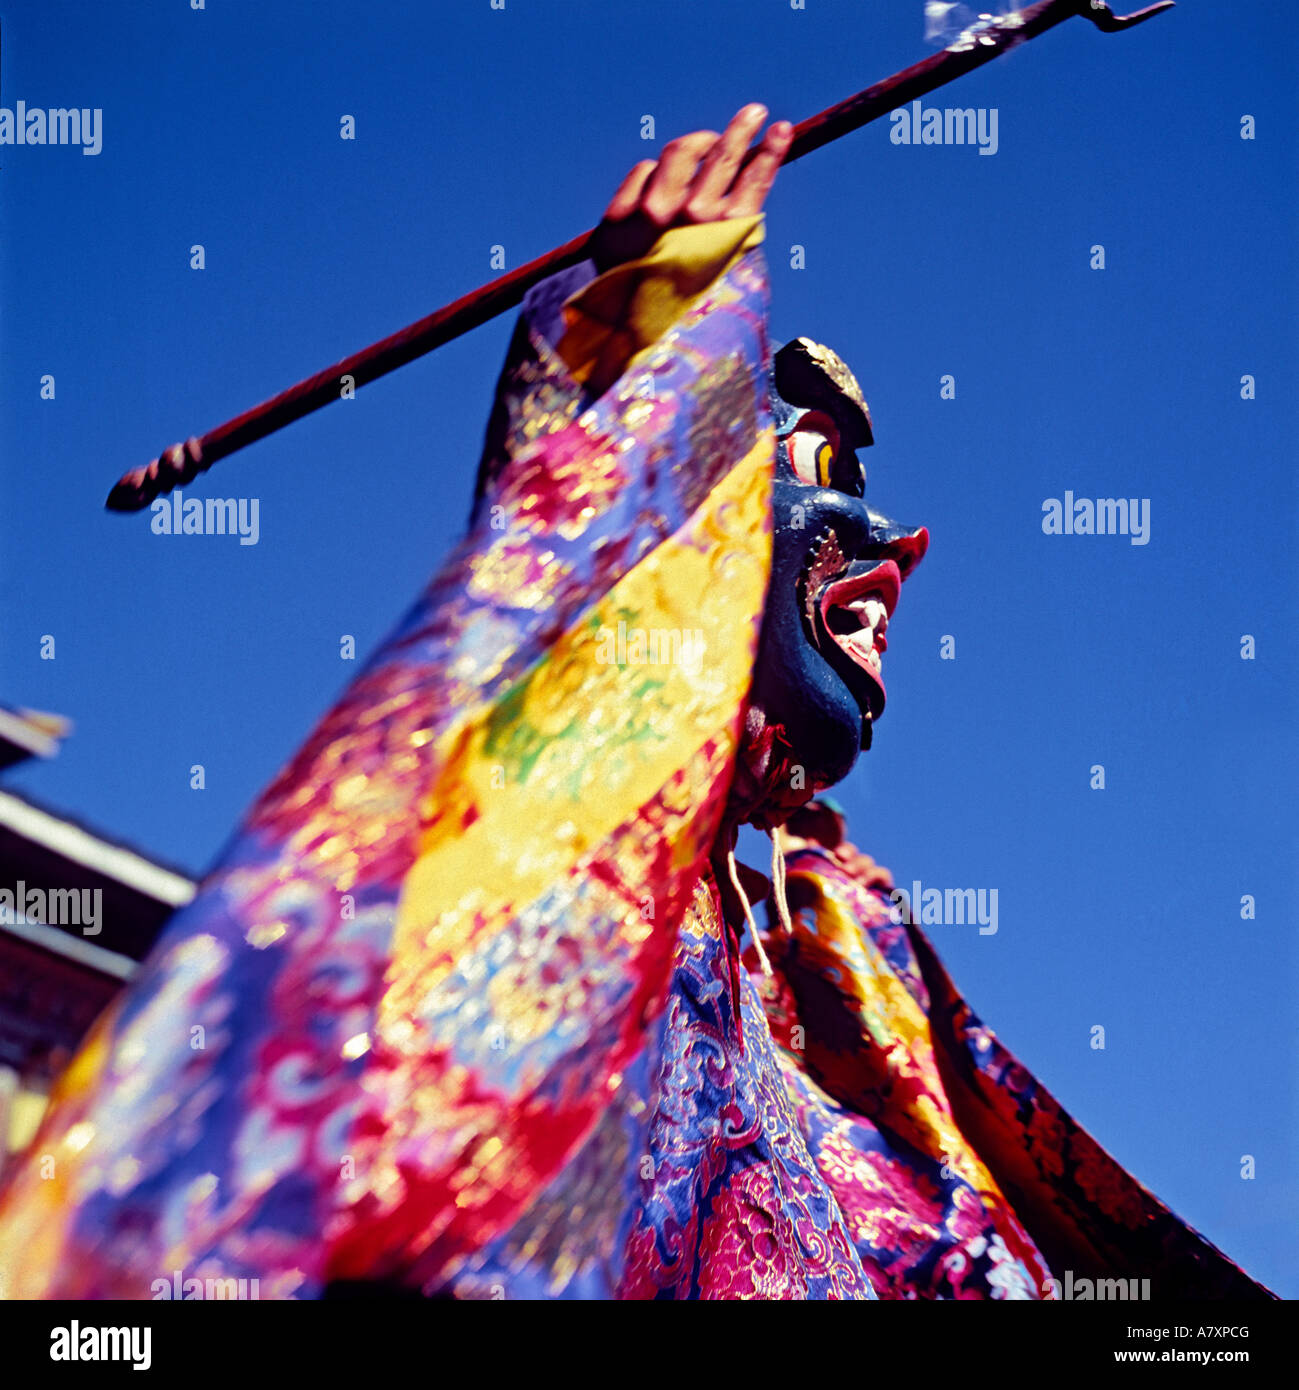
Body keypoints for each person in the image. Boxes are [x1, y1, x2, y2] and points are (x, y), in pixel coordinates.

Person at [0, 106, 1270, 1300]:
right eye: (817, 473)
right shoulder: (611, 930)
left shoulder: (844, 1022)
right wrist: (629, 361)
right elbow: (561, 679)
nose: (902, 544)